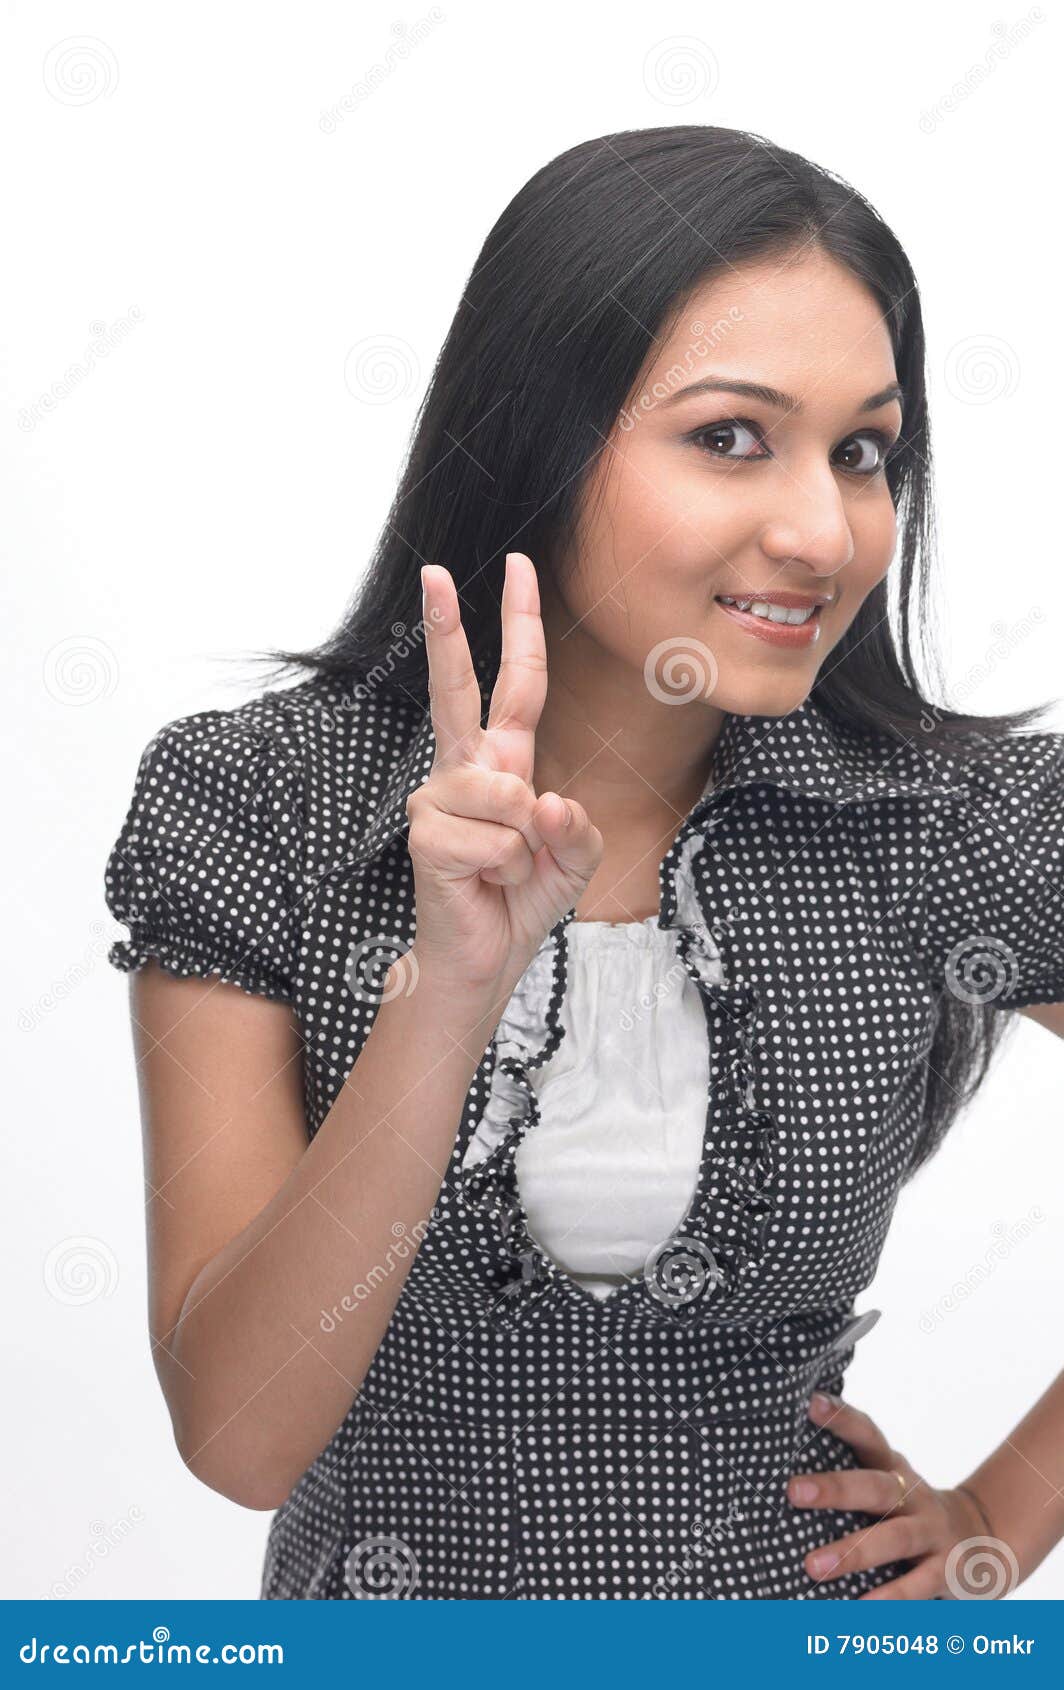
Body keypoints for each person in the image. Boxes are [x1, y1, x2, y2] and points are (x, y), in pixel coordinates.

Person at [104, 124, 1064, 1601]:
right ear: (538, 437)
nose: (823, 528)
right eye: (730, 435)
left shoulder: (950, 823)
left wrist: (999, 1521)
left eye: (863, 450)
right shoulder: (256, 801)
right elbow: (243, 1440)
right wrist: (449, 992)